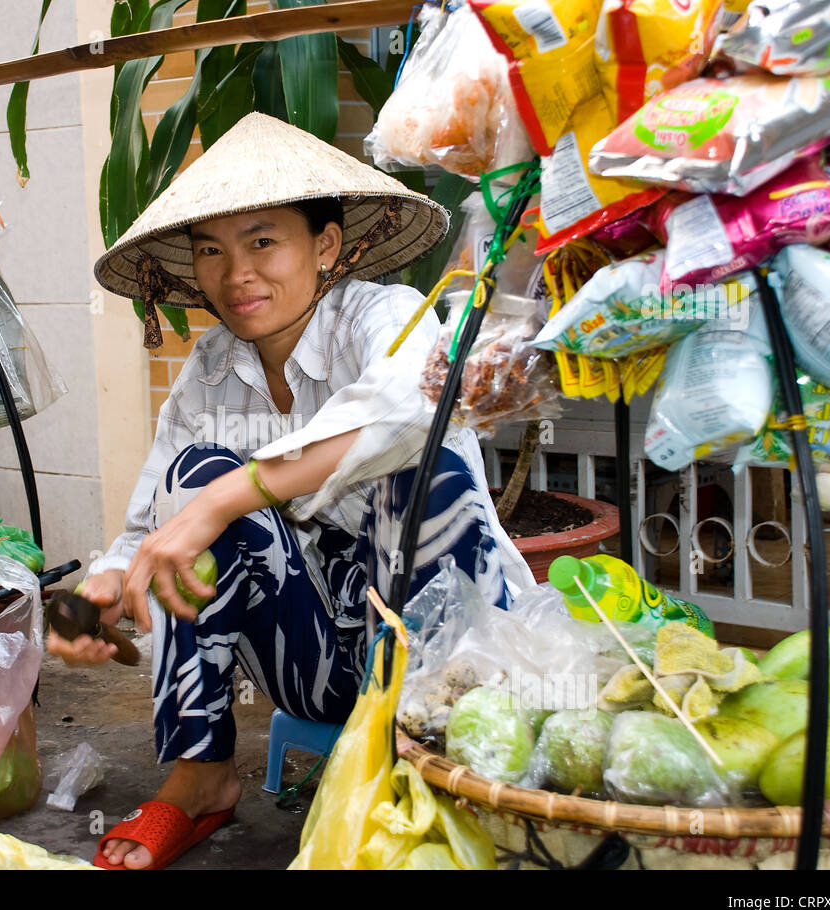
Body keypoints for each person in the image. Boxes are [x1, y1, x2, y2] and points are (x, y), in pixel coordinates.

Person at [47, 113, 534, 870]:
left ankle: (453, 767)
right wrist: (102, 592)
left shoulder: (385, 317)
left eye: (263, 241)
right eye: (212, 250)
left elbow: (409, 410)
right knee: (196, 475)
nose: (235, 273)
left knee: (418, 459)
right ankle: (201, 775)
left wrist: (227, 499)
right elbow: (151, 523)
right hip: (315, 663)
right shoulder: (209, 370)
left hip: (449, 661)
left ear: (326, 246)